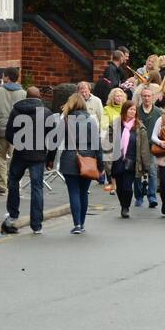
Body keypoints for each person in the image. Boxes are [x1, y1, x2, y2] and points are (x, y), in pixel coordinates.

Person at [0, 87, 53, 235]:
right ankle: (37, 225)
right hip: (38, 155)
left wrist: (19, 143)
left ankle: (12, 216)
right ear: (40, 97)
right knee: (37, 188)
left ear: (26, 96)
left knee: (13, 181)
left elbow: (9, 134)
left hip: (20, 154)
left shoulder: (16, 111)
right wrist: (50, 158)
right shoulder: (46, 113)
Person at [57, 93, 100, 234]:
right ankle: (82, 223)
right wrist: (100, 164)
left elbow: (55, 141)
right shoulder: (91, 121)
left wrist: (49, 159)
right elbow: (97, 144)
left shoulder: (65, 121)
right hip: (88, 159)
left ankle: (77, 225)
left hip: (69, 158)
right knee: (84, 192)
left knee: (73, 192)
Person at [107, 101, 139, 218]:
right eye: (130, 109)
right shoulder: (116, 124)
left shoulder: (139, 126)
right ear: (125, 110)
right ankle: (122, 205)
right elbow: (108, 140)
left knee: (127, 187)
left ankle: (126, 207)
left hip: (132, 159)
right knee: (120, 187)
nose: (132, 111)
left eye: (134, 110)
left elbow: (143, 146)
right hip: (117, 159)